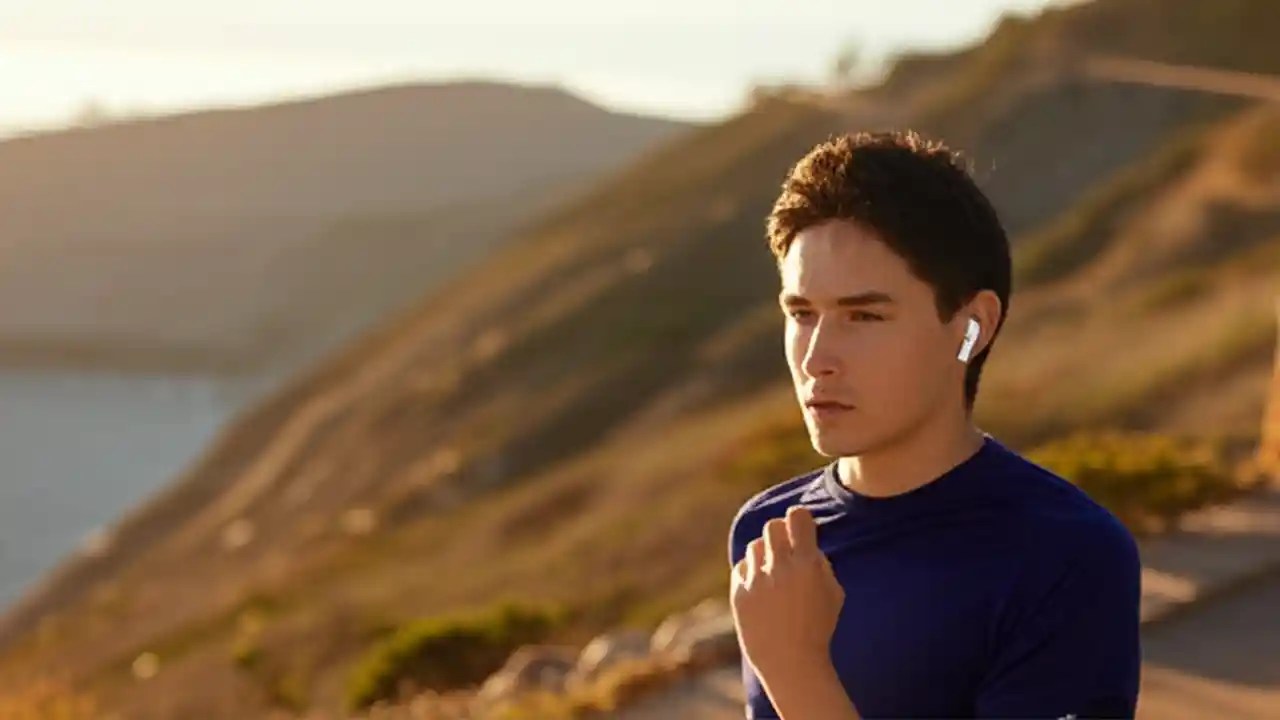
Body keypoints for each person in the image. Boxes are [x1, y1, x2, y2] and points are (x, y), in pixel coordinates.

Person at [727, 130, 1141, 720]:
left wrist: (796, 672)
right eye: (801, 314)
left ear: (973, 326)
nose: (817, 357)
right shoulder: (770, 534)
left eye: (863, 315)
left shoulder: (1067, 557)